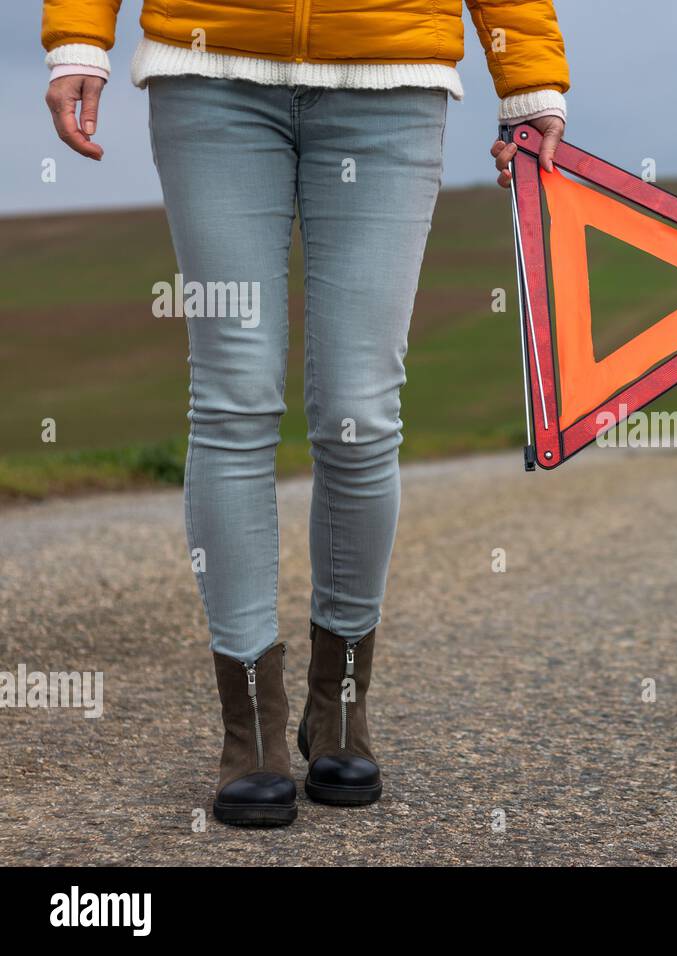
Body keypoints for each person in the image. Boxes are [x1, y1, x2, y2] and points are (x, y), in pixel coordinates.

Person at [41, 0, 569, 827]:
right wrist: (77, 34)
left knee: (361, 409)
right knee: (233, 395)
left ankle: (341, 705)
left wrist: (530, 74)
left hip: (391, 80)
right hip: (209, 68)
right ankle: (249, 728)